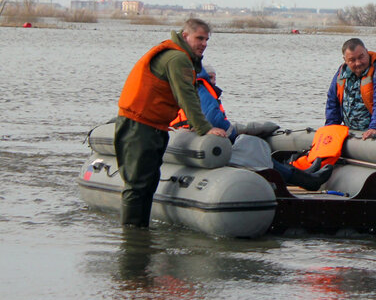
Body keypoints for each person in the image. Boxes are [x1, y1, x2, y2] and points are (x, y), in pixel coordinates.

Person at [115, 17, 228, 228]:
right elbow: (186, 96)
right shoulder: (177, 58)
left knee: (147, 183)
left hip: (152, 126)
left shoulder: (179, 56)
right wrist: (205, 128)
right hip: (139, 126)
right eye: (199, 38)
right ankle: (132, 238)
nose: (204, 43)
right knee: (138, 184)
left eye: (206, 40)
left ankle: (139, 231)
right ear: (185, 36)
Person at [172, 64, 332, 191]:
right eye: (210, 77)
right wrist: (234, 134)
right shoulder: (202, 89)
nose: (213, 81)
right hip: (209, 148)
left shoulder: (185, 90)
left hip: (194, 147)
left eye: (214, 77)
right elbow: (214, 120)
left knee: (252, 148)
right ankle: (306, 180)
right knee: (252, 147)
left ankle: (303, 176)